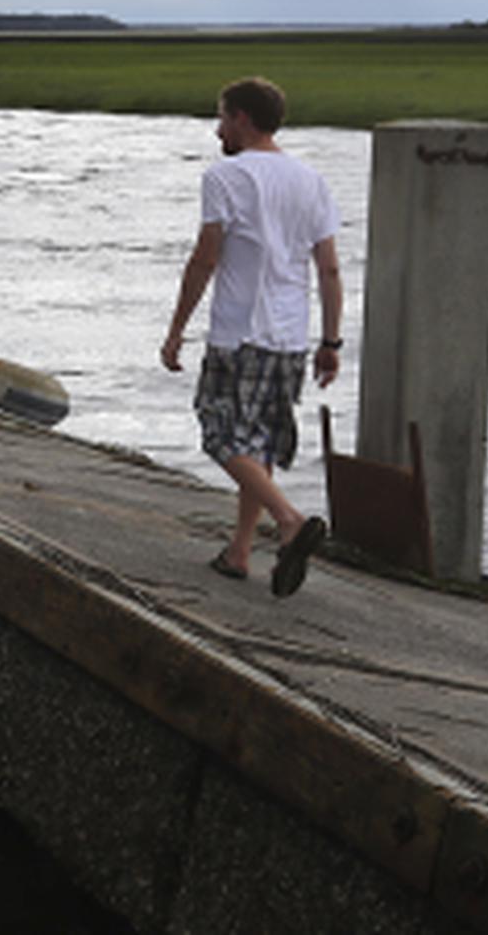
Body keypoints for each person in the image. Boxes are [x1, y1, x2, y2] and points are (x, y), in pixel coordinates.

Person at [160, 76, 343, 597]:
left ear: (241, 118)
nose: (218, 128)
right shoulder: (311, 181)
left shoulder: (227, 176)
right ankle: (239, 551)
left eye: (221, 117)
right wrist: (331, 343)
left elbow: (205, 258)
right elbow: (328, 270)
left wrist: (176, 331)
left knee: (218, 433)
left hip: (239, 333)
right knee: (258, 442)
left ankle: (286, 518)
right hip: (290, 338)